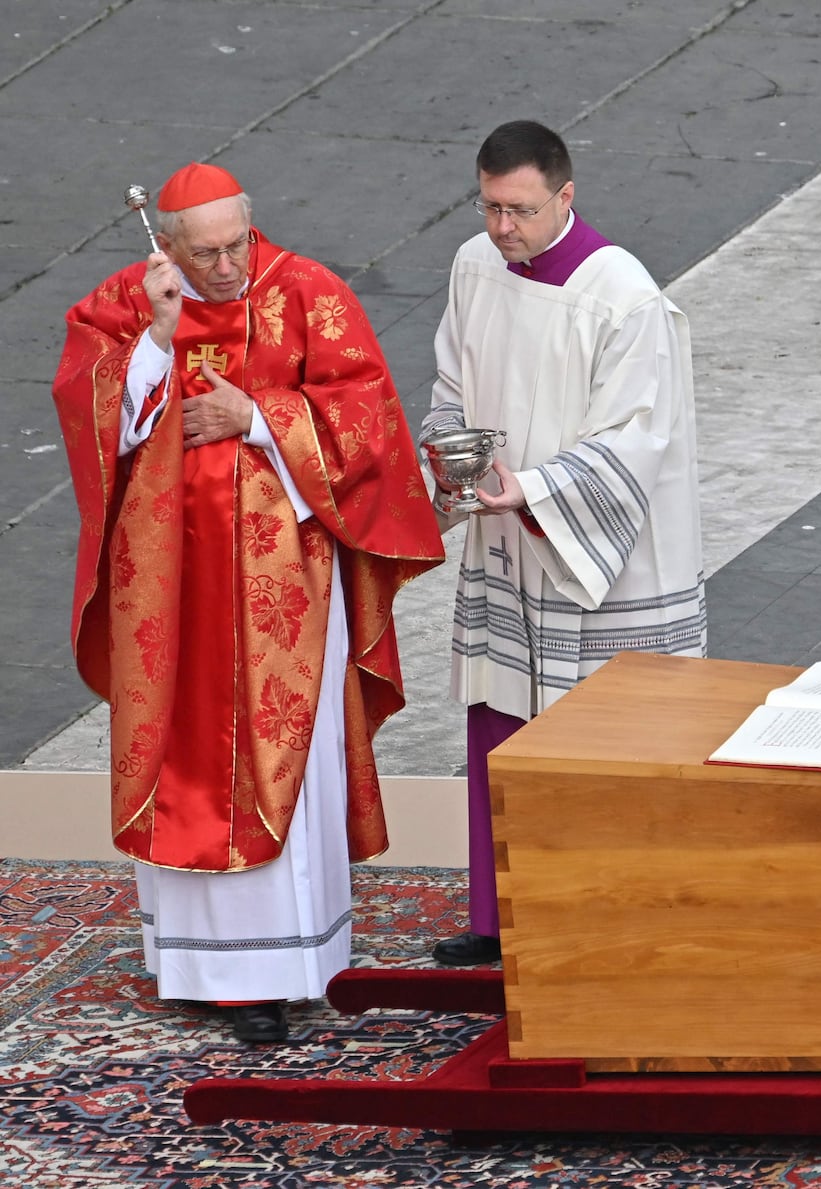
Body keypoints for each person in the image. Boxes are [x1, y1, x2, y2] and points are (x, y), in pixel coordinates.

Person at [50, 163, 446, 1043]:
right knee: (180, 752)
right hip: (167, 586)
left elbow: (368, 417)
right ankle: (193, 962)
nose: (225, 266)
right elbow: (86, 414)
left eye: (235, 245)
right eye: (204, 253)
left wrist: (258, 416)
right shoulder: (130, 296)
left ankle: (285, 962)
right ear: (171, 245)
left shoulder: (308, 292)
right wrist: (156, 338)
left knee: (280, 755)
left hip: (283, 595)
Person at [422, 120, 704, 967]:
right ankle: (499, 917)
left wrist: (537, 492)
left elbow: (639, 436)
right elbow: (450, 377)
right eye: (490, 207)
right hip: (508, 542)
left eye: (521, 210)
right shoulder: (476, 265)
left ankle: (608, 925)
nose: (503, 227)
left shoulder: (625, 297)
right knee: (501, 717)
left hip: (595, 558)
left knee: (602, 743)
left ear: (566, 197)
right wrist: (450, 453)